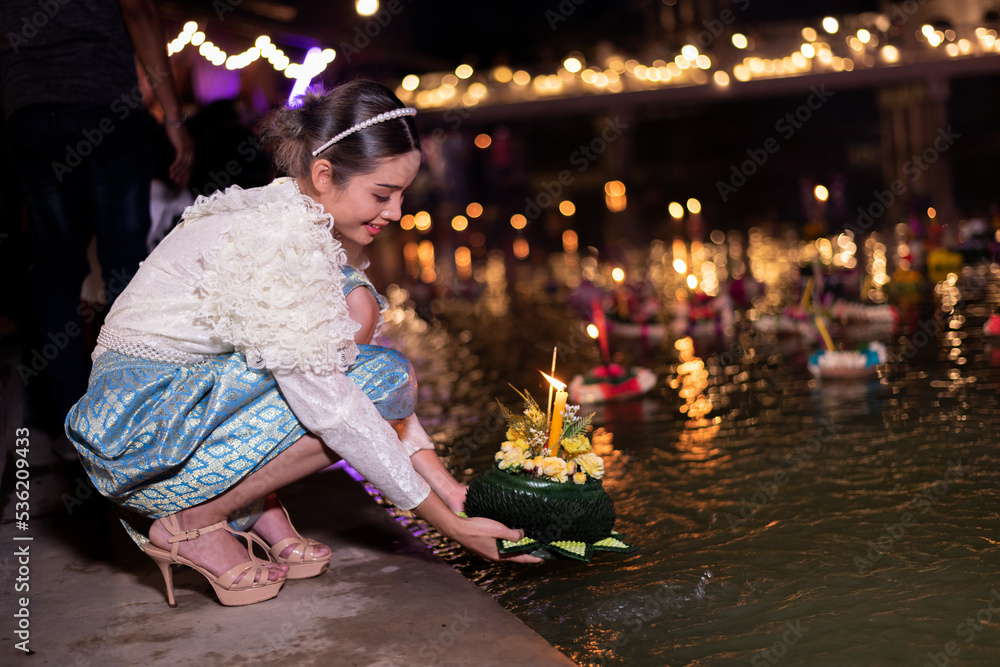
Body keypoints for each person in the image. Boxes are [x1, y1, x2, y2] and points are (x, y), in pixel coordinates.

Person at [65, 80, 539, 608]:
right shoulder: (276, 240)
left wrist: (449, 490)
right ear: (322, 174)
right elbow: (339, 405)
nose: (397, 212)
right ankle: (193, 522)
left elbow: (358, 384)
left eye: (403, 193)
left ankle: (250, 507)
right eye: (382, 194)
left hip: (165, 411)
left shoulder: (296, 213)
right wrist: (449, 524)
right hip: (140, 429)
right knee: (371, 375)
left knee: (370, 360)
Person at [0, 0, 194, 441]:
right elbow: (139, 9)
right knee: (125, 263)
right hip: (103, 101)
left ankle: (71, 426)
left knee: (56, 268)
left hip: (27, 108)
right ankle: (133, 415)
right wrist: (174, 117)